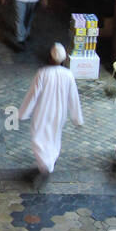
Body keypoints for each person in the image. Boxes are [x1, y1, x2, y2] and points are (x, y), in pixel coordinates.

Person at [18, 43, 84, 183]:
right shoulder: (68, 75)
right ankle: (50, 162)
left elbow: (32, 95)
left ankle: (46, 165)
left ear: (50, 57)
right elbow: (73, 97)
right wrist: (77, 118)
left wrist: (23, 113)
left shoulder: (42, 73)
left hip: (42, 112)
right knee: (54, 138)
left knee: (39, 138)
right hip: (59, 113)